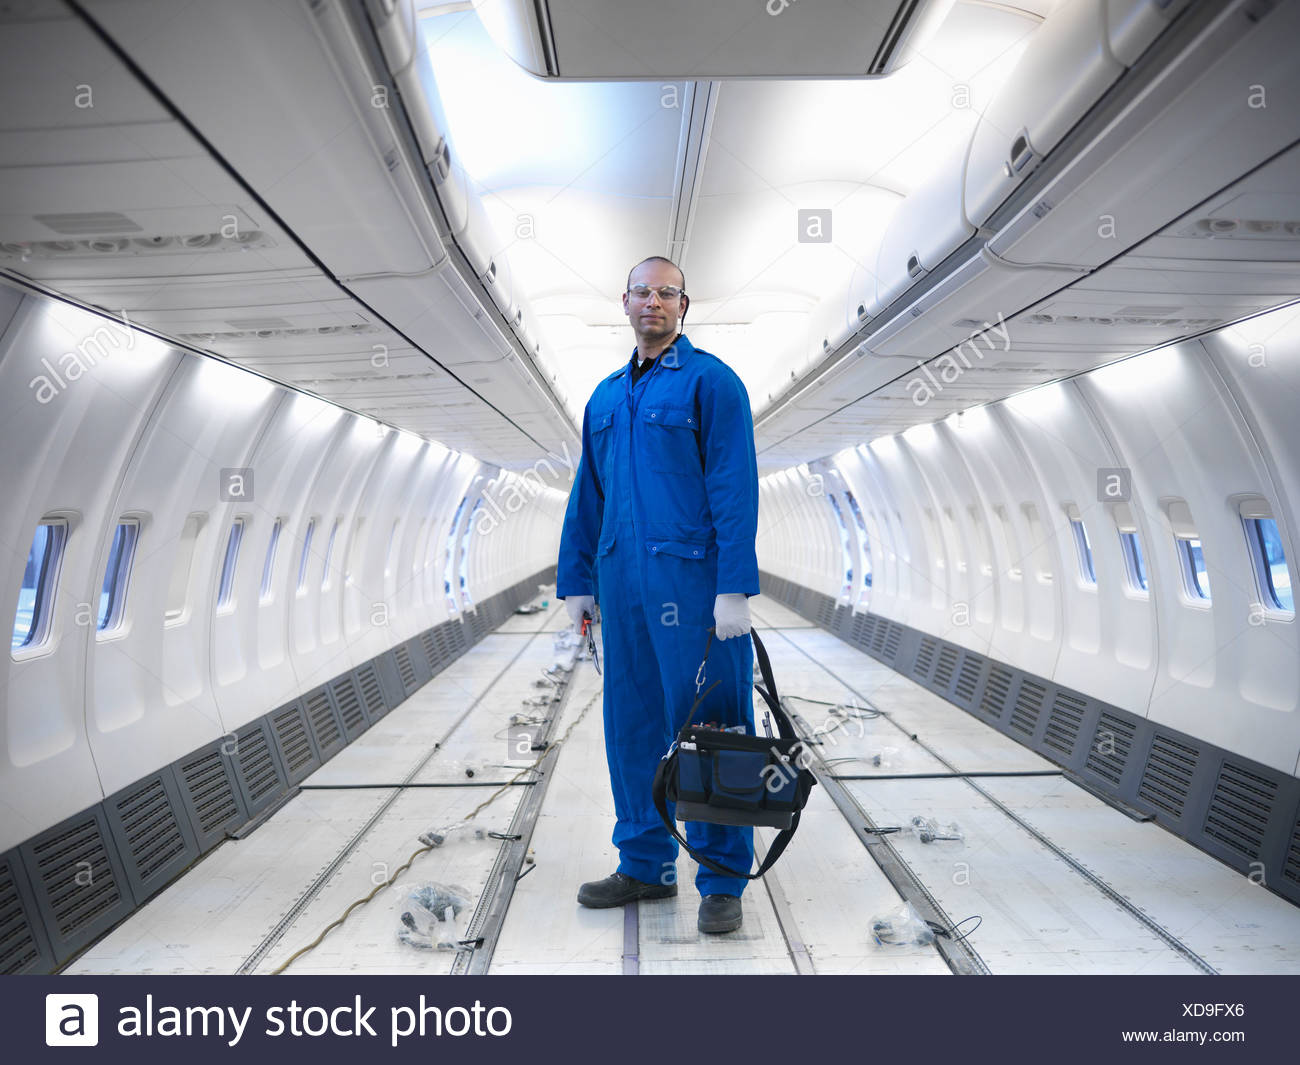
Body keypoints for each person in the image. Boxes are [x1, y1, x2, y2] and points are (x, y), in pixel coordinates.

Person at [556, 255, 760, 935]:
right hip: (624, 586)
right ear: (623, 302)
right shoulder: (607, 397)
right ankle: (644, 861)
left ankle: (723, 878)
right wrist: (578, 579)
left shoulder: (713, 383)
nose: (653, 303)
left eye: (666, 293)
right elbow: (589, 493)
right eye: (642, 292)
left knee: (712, 730)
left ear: (684, 304)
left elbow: (733, 487)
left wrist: (734, 587)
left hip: (696, 588)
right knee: (632, 726)